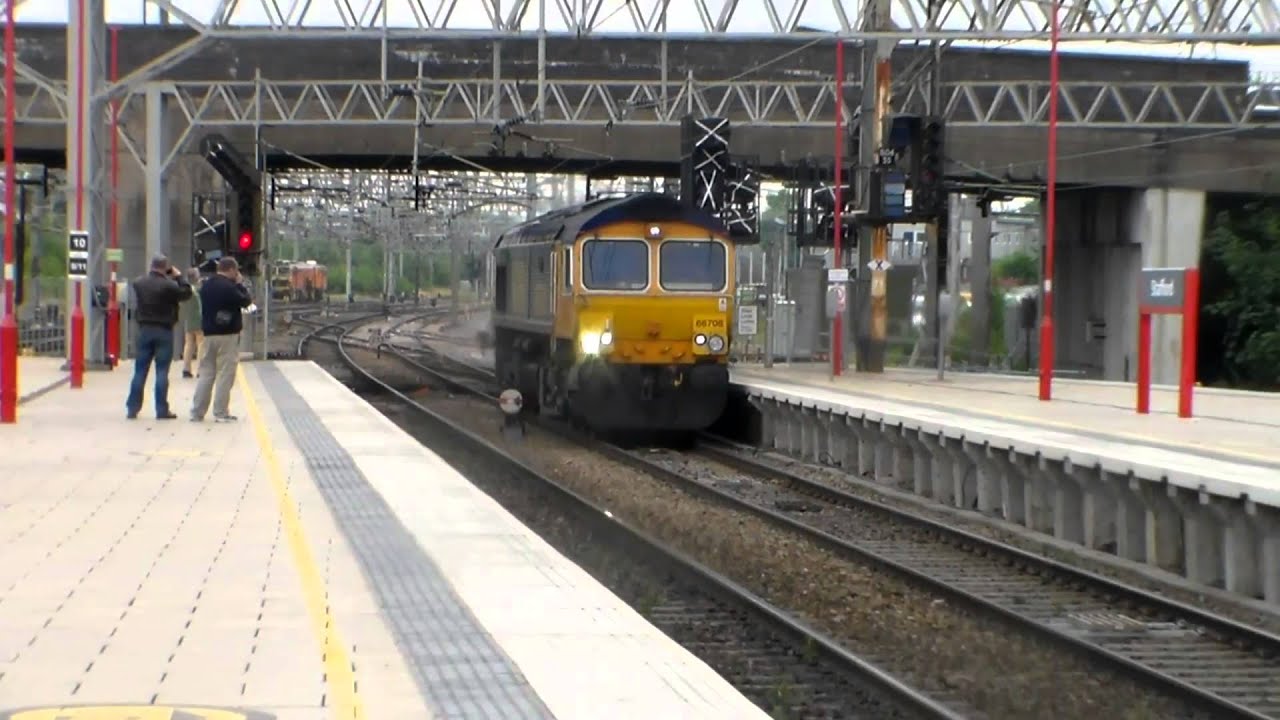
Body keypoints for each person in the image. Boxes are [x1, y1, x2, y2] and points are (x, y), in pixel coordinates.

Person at [126, 253, 194, 420]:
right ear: (165, 267)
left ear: (151, 265)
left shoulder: (139, 283)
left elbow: (142, 282)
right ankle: (161, 409)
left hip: (144, 330)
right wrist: (178, 276)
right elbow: (186, 293)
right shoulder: (169, 286)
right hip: (164, 331)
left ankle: (132, 408)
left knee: (140, 371)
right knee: (162, 372)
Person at [191, 257, 253, 422]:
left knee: (206, 373)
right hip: (228, 336)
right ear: (232, 270)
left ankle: (197, 412)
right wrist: (240, 284)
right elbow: (246, 301)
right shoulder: (230, 287)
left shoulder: (206, 285)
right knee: (225, 374)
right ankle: (220, 412)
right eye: (236, 271)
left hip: (208, 336)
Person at [179, 267, 204, 379]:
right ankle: (200, 369)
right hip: (199, 320)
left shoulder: (186, 290)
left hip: (188, 319)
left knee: (188, 344)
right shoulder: (197, 290)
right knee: (201, 344)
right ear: (196, 276)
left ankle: (186, 368)